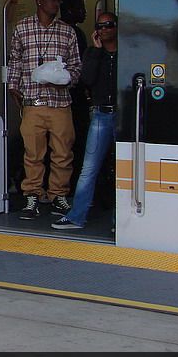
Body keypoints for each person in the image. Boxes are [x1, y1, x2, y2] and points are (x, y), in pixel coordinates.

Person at [8, 0, 82, 220]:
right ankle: (32, 196)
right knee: (33, 153)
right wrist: (13, 87)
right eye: (52, 0)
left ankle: (58, 195)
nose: (57, 4)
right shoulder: (23, 27)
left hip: (60, 102)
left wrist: (66, 79)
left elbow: (77, 66)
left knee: (63, 152)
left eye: (58, 0)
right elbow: (15, 60)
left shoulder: (67, 31)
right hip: (33, 101)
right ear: (39, 1)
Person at [52, 12, 118, 230]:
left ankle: (121, 222)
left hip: (124, 116)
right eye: (100, 26)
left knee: (124, 168)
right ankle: (76, 217)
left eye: (109, 25)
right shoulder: (92, 52)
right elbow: (86, 80)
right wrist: (97, 51)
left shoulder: (128, 53)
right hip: (101, 115)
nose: (105, 29)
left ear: (117, 27)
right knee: (89, 168)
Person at [60, 0, 90, 191]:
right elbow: (81, 67)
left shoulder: (71, 31)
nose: (85, 12)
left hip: (70, 94)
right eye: (81, 8)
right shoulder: (73, 33)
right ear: (70, 10)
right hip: (71, 96)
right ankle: (71, 185)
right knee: (74, 142)